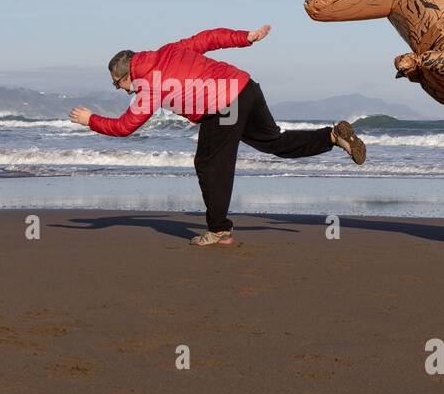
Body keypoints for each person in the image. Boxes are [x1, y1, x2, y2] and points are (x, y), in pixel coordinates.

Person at [69, 25, 367, 246]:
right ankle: (331, 136)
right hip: (246, 87)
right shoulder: (169, 51)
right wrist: (245, 38)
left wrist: (90, 120)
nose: (120, 89)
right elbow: (207, 38)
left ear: (126, 75)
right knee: (274, 142)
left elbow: (125, 127)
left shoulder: (149, 85)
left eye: (116, 84)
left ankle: (220, 229)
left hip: (223, 106)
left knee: (209, 164)